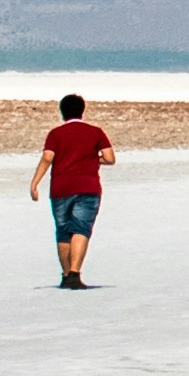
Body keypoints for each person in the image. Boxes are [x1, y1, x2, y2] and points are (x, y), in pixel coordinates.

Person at [28, 90, 115, 288]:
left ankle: (66, 275)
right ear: (82, 111)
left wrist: (34, 183)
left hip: (61, 188)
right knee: (81, 229)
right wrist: (93, 160)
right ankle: (75, 273)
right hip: (88, 187)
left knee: (63, 231)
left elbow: (48, 157)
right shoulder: (95, 132)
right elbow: (110, 158)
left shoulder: (56, 134)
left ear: (62, 112)